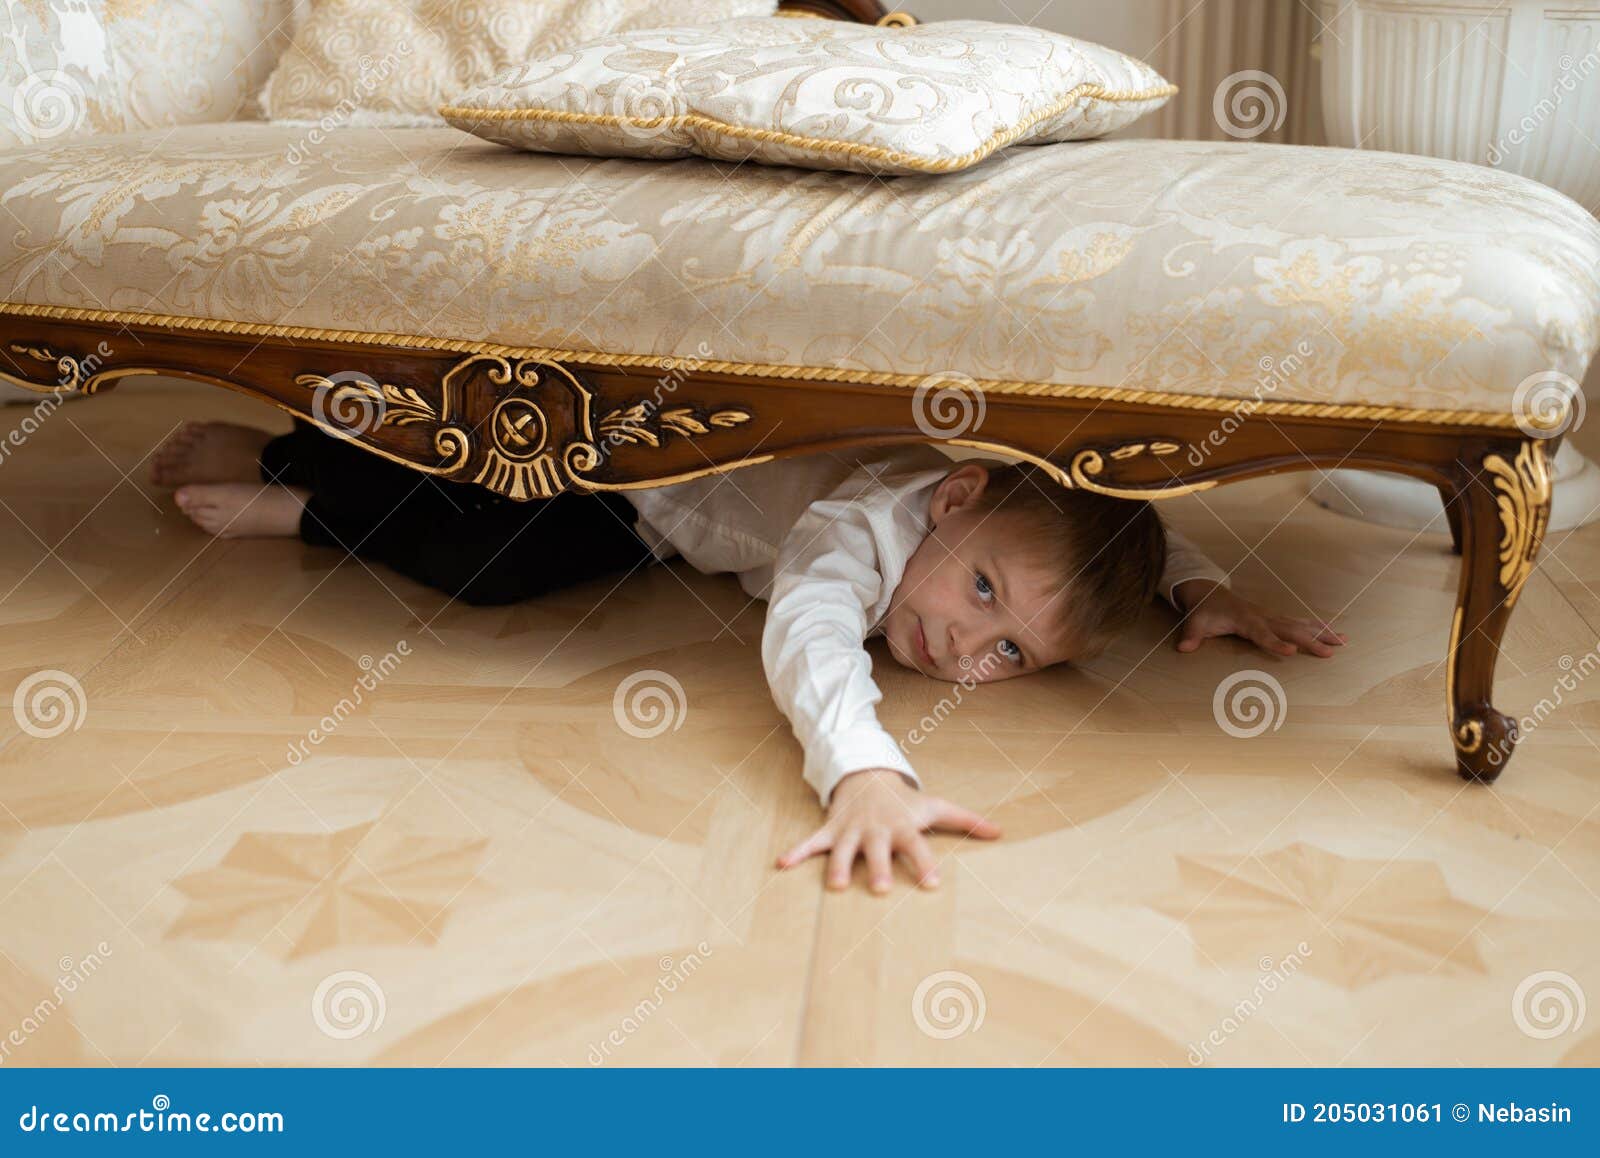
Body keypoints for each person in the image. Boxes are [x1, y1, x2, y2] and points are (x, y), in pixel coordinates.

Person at [152, 417, 1346, 893]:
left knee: (486, 544)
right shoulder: (857, 536)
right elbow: (809, 637)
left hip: (670, 529)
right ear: (952, 499)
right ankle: (292, 473)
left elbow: (1116, 537)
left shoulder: (1000, 533)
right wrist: (863, 769)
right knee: (475, 525)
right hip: (636, 473)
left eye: (1011, 654)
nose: (961, 645)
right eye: (980, 593)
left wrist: (1203, 587)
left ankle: (308, 491)